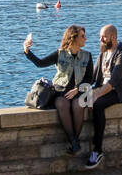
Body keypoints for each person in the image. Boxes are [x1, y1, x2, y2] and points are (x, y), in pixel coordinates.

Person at [23, 24, 94, 156]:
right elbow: (40, 63)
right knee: (63, 104)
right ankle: (74, 142)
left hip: (78, 92)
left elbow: (90, 78)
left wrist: (77, 89)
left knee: (78, 105)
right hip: (60, 92)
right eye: (82, 36)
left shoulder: (87, 56)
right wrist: (27, 51)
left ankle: (74, 142)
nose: (86, 39)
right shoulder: (59, 54)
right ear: (73, 38)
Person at [84, 24, 122, 170]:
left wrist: (95, 95)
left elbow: (114, 82)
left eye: (104, 37)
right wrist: (80, 90)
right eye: (100, 36)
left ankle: (97, 150)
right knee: (79, 101)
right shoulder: (103, 51)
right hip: (104, 88)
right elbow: (93, 77)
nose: (101, 39)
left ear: (113, 37)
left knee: (98, 105)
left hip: (121, 91)